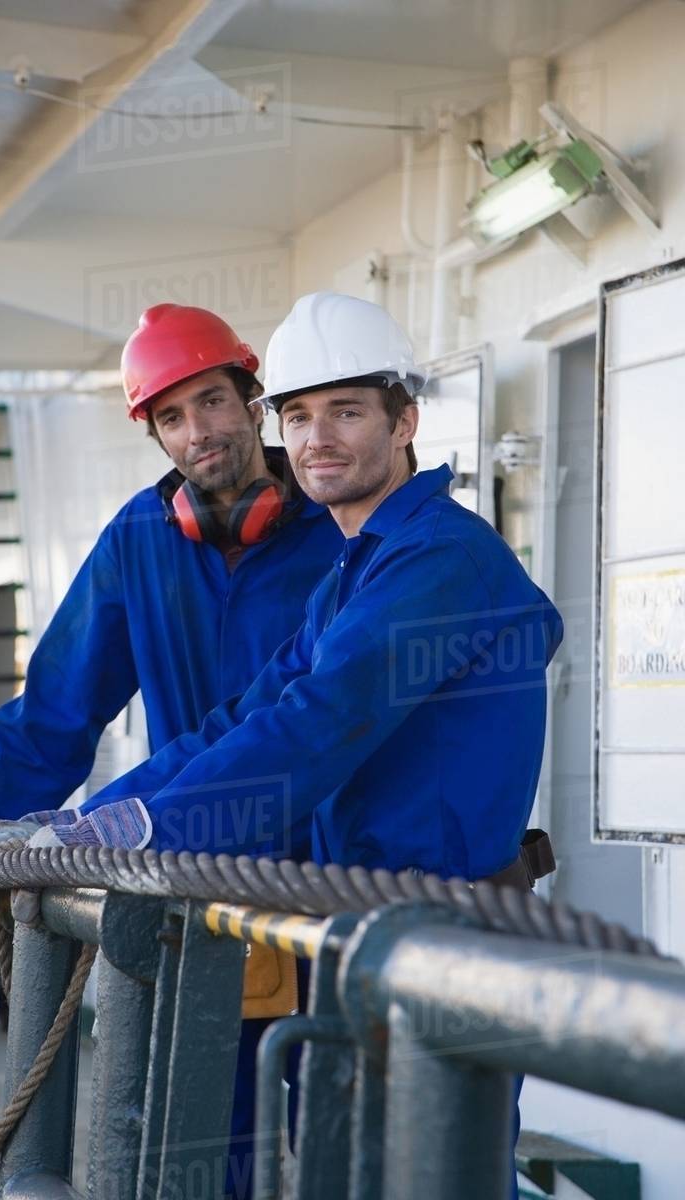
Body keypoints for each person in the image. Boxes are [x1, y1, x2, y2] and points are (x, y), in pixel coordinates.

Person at [44, 291, 563, 1199]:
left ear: (405, 420)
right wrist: (99, 818)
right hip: (362, 944)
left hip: (442, 945)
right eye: (298, 416)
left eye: (347, 412)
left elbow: (321, 720)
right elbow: (246, 712)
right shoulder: (354, 569)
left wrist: (155, 832)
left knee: (433, 1177)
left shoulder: (442, 559)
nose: (318, 438)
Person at [0, 302, 343, 1200]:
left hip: (341, 882)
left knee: (354, 1148)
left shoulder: (342, 527)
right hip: (203, 894)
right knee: (209, 1150)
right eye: (171, 417)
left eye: (213, 401)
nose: (198, 432)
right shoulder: (137, 544)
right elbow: (58, 713)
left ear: (254, 400)